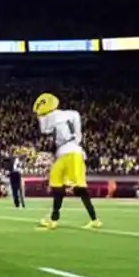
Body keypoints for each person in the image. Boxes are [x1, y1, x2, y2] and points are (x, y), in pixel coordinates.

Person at [33, 94, 102, 230]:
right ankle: (54, 219)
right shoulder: (71, 114)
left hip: (68, 152)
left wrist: (40, 116)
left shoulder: (51, 117)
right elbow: (77, 128)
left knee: (75, 188)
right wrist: (76, 141)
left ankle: (94, 219)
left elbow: (44, 130)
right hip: (68, 151)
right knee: (57, 183)